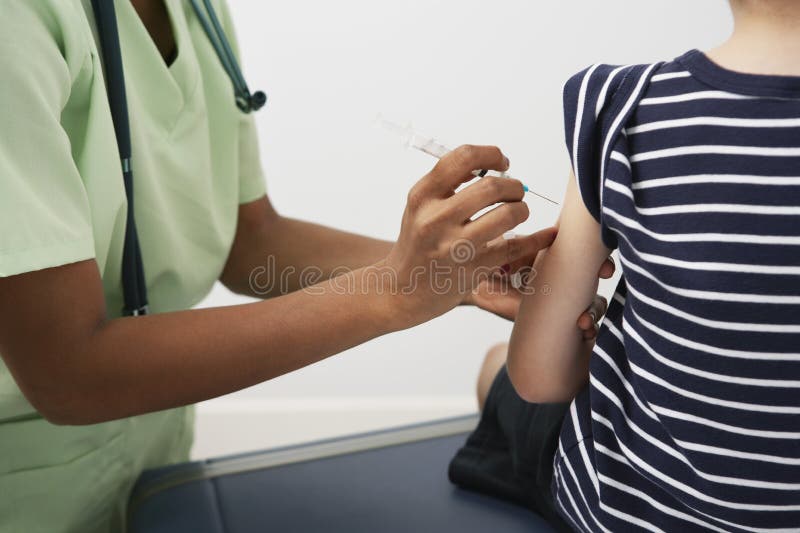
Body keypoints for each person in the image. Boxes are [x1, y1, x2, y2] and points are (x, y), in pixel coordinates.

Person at [0, 1, 613, 531]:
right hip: (31, 487)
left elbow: (247, 238)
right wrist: (391, 293)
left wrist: (459, 279)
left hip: (153, 460)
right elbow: (66, 370)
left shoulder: (194, 11)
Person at [457, 0, 800, 530]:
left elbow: (541, 378)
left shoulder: (625, 105)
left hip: (633, 512)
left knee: (495, 367)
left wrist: (556, 291)